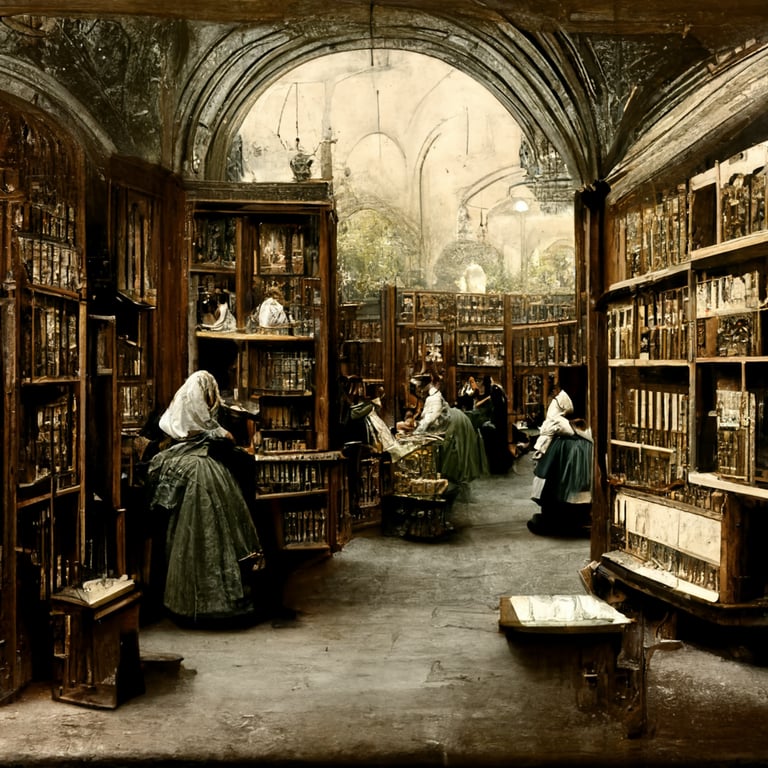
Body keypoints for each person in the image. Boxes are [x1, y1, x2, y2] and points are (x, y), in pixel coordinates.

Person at [145, 370, 284, 624]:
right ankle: (202, 602)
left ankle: (200, 603)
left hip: (200, 471)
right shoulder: (190, 435)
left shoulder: (191, 430)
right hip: (200, 476)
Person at [411, 371, 488, 499]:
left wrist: (416, 433)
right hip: (447, 423)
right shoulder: (431, 396)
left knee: (453, 450)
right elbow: (426, 416)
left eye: (420, 387)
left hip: (455, 424)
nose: (418, 390)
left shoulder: (434, 397)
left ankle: (452, 482)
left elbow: (430, 418)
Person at [527, 388, 593, 536]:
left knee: (560, 482)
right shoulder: (575, 432)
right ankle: (574, 517)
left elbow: (549, 424)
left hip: (570, 447)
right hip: (578, 445)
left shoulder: (562, 428)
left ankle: (567, 517)